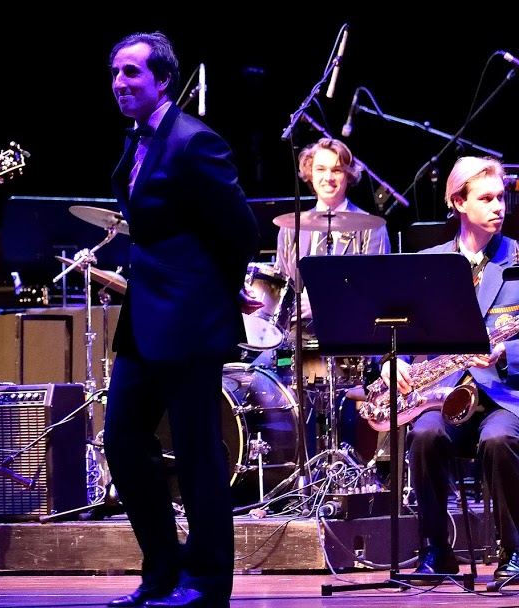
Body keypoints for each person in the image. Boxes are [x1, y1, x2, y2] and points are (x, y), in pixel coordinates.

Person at [102, 31, 259, 608]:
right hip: (145, 316)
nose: (120, 84)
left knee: (197, 452)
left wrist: (223, 288)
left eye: (132, 74)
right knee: (121, 438)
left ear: (163, 80)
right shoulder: (139, 140)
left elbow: (240, 229)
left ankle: (207, 580)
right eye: (116, 73)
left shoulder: (195, 143)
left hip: (189, 317)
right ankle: (162, 568)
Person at [381, 156, 519, 580]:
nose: (499, 207)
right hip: (442, 394)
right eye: (486, 198)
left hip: (503, 396)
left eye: (501, 198)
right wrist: (392, 363)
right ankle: (436, 550)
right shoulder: (429, 262)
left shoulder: (518, 260)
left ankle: (514, 552)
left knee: (499, 440)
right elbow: (393, 327)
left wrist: (503, 356)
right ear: (459, 202)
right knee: (424, 435)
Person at [274, 137, 391, 344]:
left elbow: (377, 290)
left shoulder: (372, 228)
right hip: (297, 339)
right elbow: (281, 287)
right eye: (320, 169)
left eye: (336, 170)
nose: (328, 177)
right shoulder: (289, 228)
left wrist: (322, 305)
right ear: (310, 173)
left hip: (353, 337)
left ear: (348, 175)